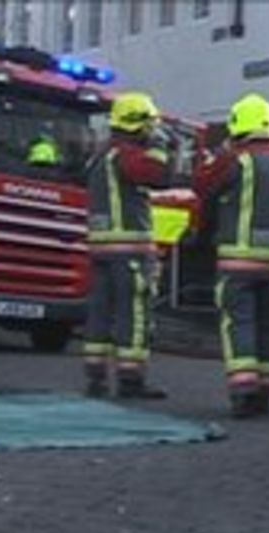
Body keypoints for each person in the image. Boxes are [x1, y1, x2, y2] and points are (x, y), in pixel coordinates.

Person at [195, 93, 269, 419]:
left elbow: (203, 185)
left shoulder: (236, 159)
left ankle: (243, 391)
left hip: (238, 260)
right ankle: (264, 392)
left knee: (238, 323)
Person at [83, 91, 171, 399]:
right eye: (150, 124)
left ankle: (96, 378)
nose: (153, 129)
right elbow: (156, 174)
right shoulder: (126, 155)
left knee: (100, 313)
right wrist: (159, 144)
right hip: (129, 250)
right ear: (137, 124)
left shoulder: (100, 155)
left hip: (101, 248)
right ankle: (131, 379)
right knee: (133, 313)